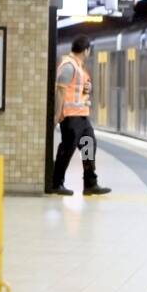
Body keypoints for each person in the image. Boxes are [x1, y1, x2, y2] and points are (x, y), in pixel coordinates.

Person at [51, 35, 111, 196]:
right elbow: (60, 90)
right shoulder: (69, 66)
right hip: (71, 118)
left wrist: (87, 88)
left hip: (82, 117)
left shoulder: (78, 66)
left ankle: (90, 183)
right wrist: (57, 115)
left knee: (89, 146)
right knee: (67, 150)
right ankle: (56, 183)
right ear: (86, 50)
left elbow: (75, 89)